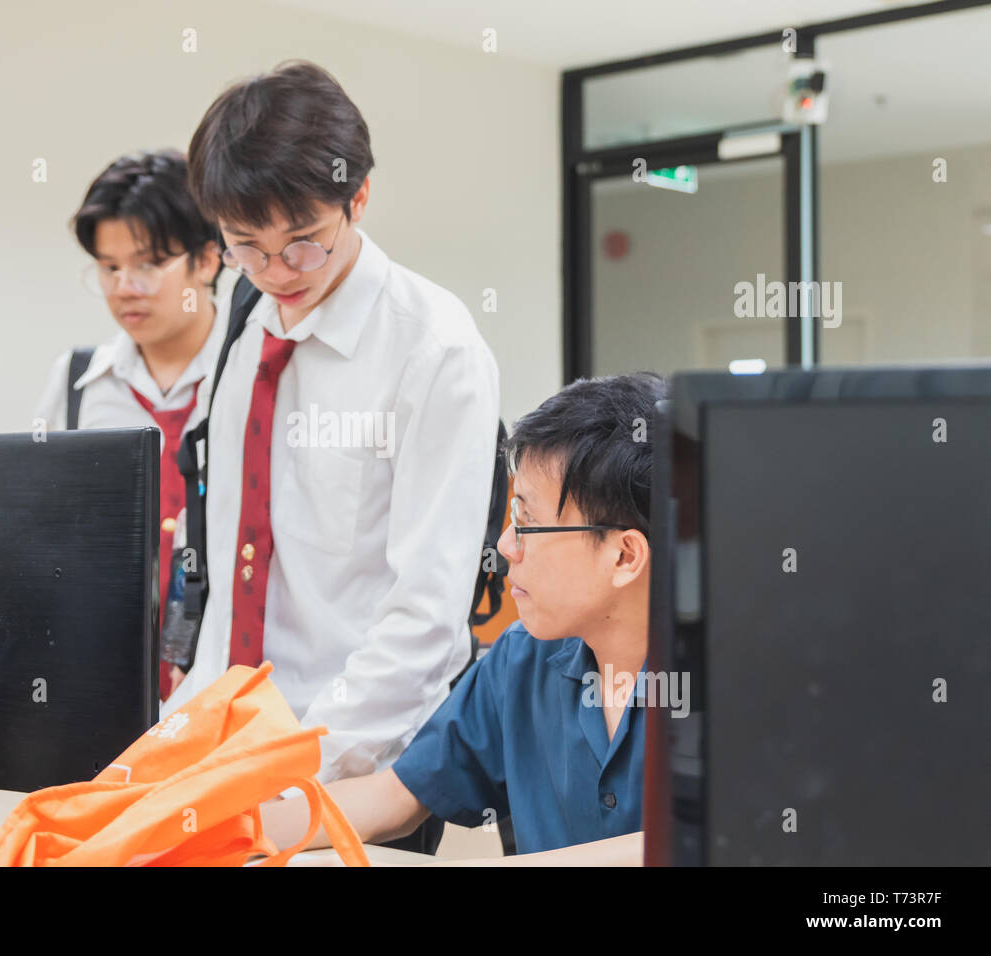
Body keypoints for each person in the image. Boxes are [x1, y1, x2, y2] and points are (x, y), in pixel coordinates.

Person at [162, 60, 501, 824]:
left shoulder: (434, 350)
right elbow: (230, 574)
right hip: (228, 747)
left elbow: (425, 616)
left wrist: (297, 768)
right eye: (246, 246)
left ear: (359, 198)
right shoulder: (246, 328)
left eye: (304, 241)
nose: (277, 271)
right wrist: (181, 738)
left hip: (359, 765)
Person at [260, 373, 667, 861]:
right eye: (512, 517)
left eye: (529, 524)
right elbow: (393, 798)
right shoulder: (522, 659)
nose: (506, 546)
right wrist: (216, 824)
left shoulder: (728, 683)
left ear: (624, 556)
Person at [34, 149, 224, 700]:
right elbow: (43, 532)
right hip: (101, 676)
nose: (124, 287)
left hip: (222, 680)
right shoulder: (76, 383)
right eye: (109, 267)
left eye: (147, 264)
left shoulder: (250, 376)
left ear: (207, 260)